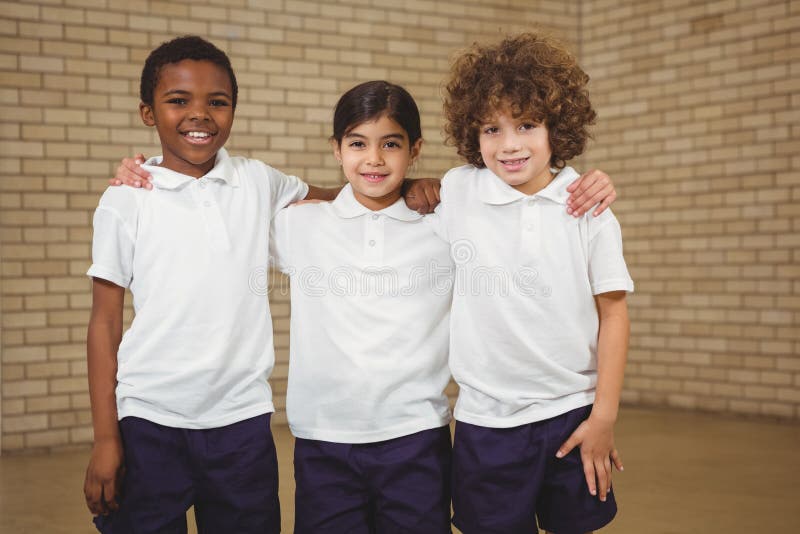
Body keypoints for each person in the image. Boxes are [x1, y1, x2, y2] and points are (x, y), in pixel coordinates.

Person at [83, 35, 342, 533]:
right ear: (147, 113)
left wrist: (408, 188)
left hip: (241, 421)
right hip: (147, 418)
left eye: (217, 102)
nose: (199, 114)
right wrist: (106, 438)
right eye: (178, 101)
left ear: (233, 111)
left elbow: (340, 199)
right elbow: (105, 320)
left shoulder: (258, 181)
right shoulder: (127, 199)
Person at [435, 33, 633, 534]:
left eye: (527, 124)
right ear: (472, 135)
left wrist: (604, 417)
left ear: (556, 128)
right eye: (491, 128)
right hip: (486, 422)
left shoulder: (589, 207)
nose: (509, 144)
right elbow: (404, 194)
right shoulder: (459, 190)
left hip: (573, 414)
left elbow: (613, 314)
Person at [270, 80, 453, 533]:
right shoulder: (301, 223)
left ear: (415, 150)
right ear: (337, 149)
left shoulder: (446, 224)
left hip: (416, 434)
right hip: (324, 439)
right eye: (357, 143)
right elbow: (219, 210)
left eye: (390, 144)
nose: (373, 159)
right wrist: (148, 176)